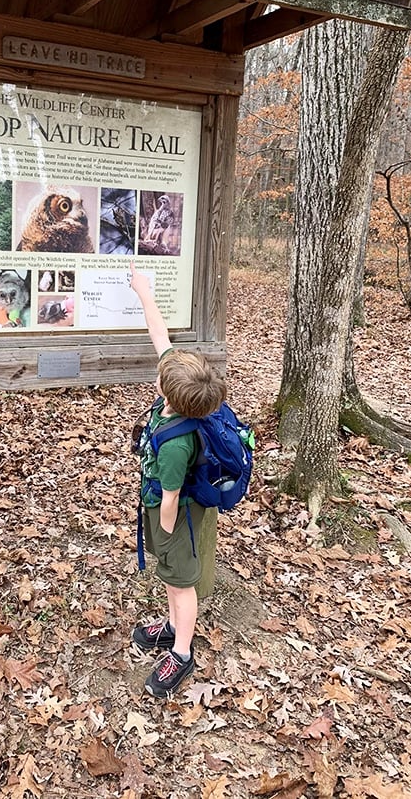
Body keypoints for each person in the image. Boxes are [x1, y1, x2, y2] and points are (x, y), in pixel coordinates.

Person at [128, 263, 227, 698]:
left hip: (178, 516)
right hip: (173, 507)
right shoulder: (184, 398)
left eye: (161, 377)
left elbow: (169, 497)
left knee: (180, 580)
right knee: (172, 577)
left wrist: (165, 534)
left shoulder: (174, 447)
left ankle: (182, 653)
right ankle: (169, 627)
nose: (158, 370)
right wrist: (143, 291)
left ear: (167, 393)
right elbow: (161, 338)